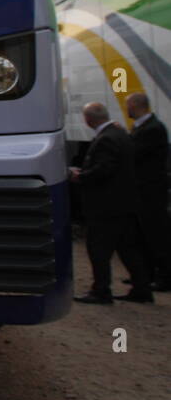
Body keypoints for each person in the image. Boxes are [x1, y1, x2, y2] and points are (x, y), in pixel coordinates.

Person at [70, 101, 153, 304]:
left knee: (98, 249)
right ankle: (142, 289)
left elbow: (104, 170)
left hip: (106, 206)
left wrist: (80, 176)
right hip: (124, 203)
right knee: (128, 249)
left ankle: (101, 291)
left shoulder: (106, 138)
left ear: (88, 119)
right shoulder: (120, 133)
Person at [127, 92, 170, 291]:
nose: (127, 109)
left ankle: (165, 277)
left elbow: (133, 153)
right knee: (143, 235)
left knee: (156, 235)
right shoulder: (146, 127)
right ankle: (146, 275)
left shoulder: (152, 129)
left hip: (151, 192)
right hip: (142, 191)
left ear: (136, 105)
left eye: (129, 105)